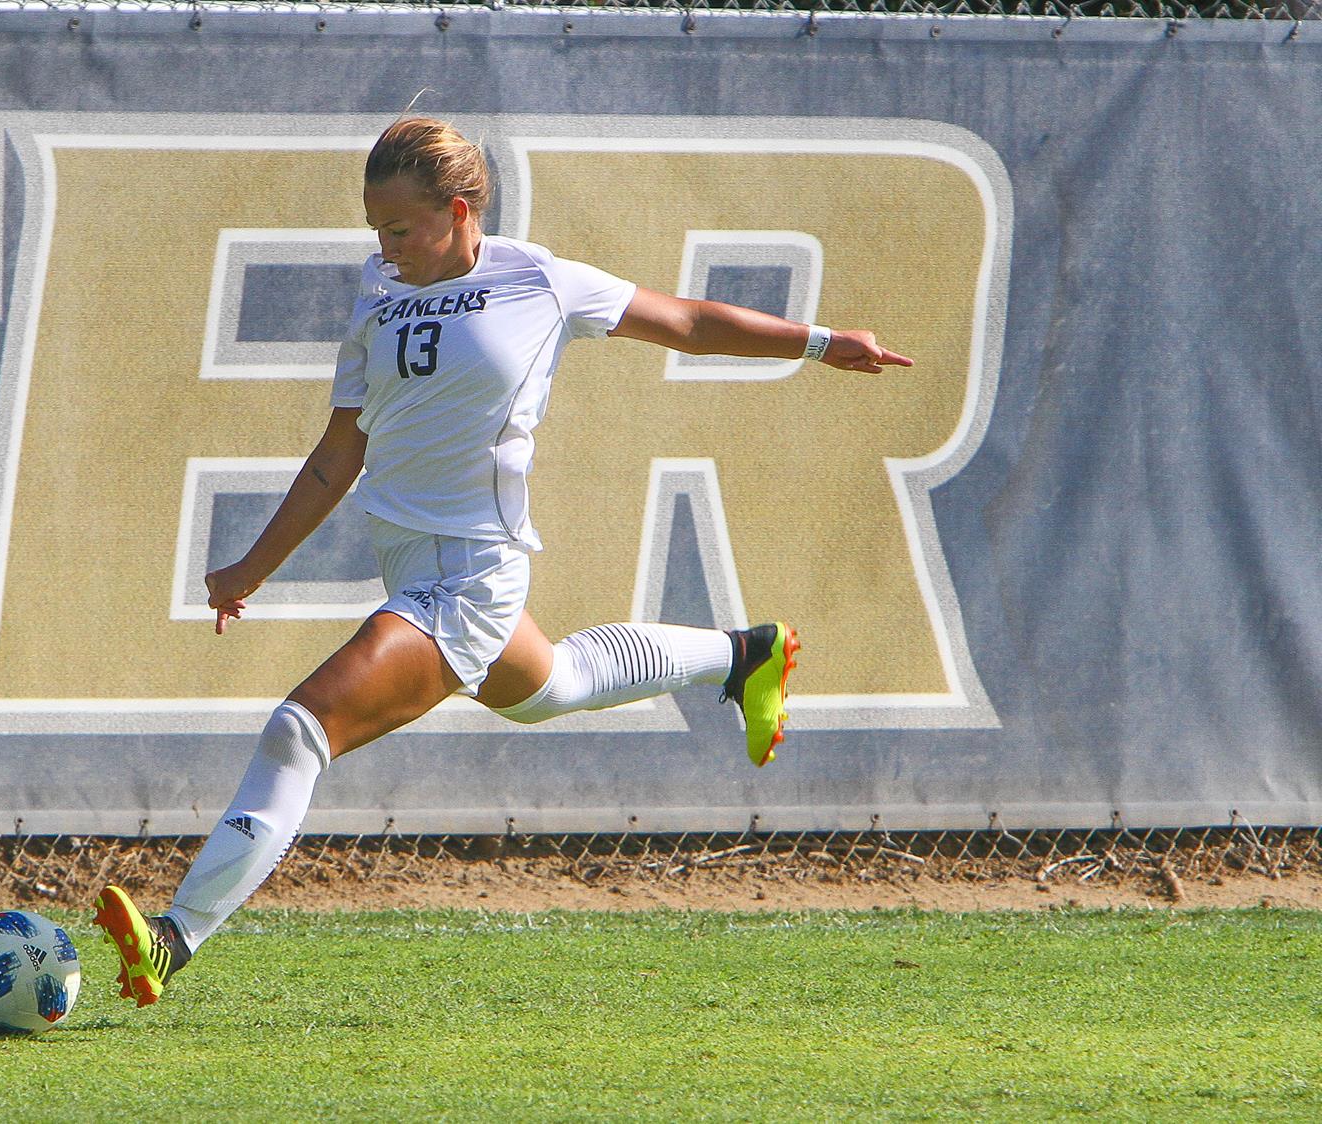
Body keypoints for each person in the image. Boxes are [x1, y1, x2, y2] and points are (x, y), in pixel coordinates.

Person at [93, 116, 914, 1007]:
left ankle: (176, 937)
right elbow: (340, 451)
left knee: (301, 730)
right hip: (412, 568)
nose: (385, 246)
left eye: (399, 228)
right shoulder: (380, 290)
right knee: (551, 686)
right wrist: (253, 565)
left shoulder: (541, 280)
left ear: (456, 210)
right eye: (375, 230)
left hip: (472, 576)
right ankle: (745, 655)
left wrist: (823, 342)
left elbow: (684, 321)